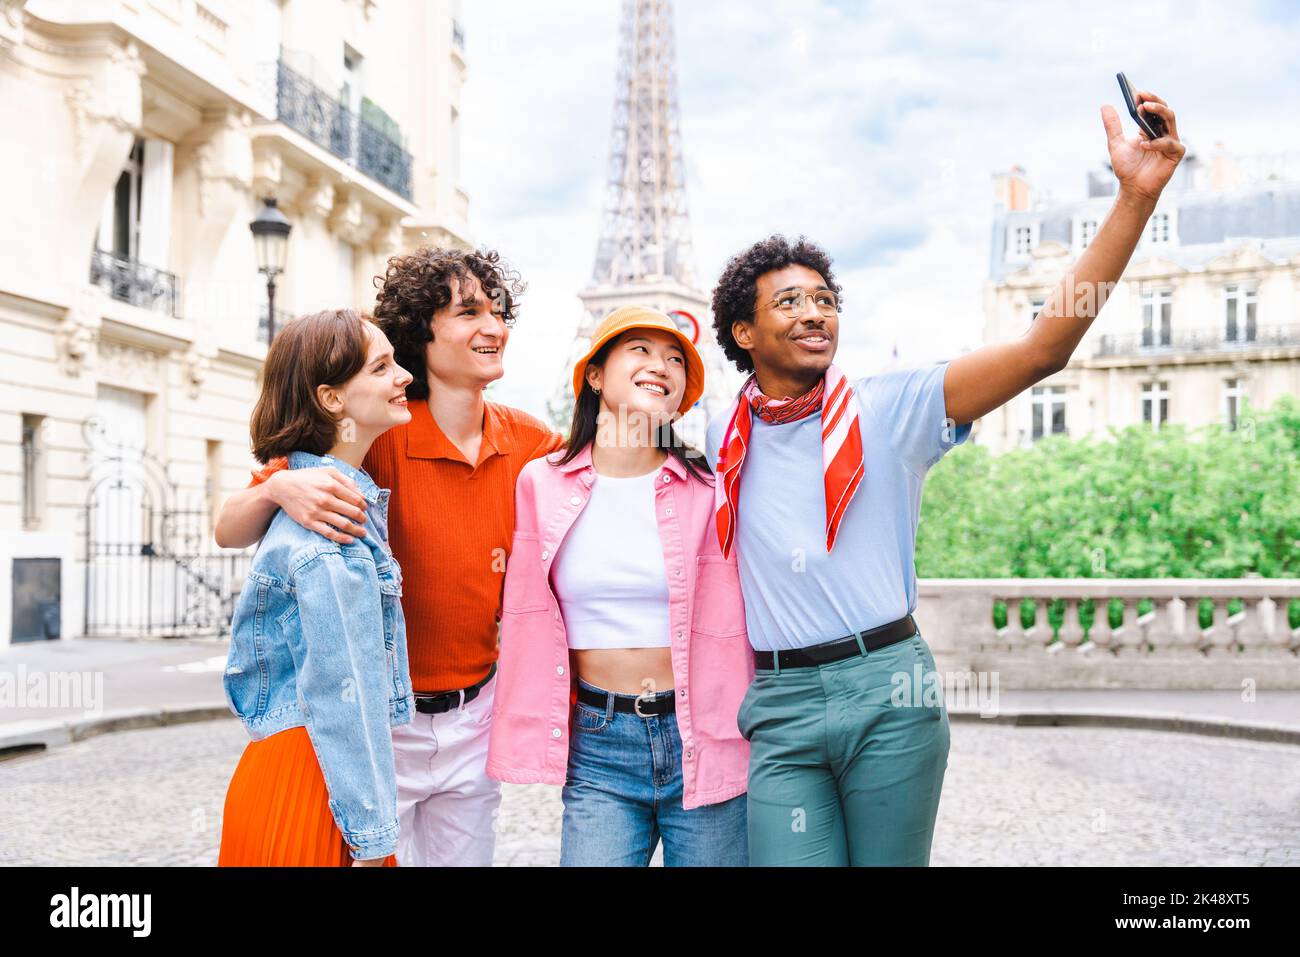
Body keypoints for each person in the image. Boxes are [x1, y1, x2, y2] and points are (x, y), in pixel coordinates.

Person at [706, 93, 1186, 866]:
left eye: (826, 299)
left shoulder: (892, 407)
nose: (814, 312)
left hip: (890, 689)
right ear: (742, 331)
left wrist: (1135, 196)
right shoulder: (716, 437)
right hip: (781, 705)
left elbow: (1040, 352)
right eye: (787, 300)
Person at [214, 248, 563, 866]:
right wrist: (275, 487)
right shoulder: (376, 433)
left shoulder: (530, 441)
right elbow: (228, 528)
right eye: (469, 312)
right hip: (383, 725)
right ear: (419, 336)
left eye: (499, 311)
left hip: (475, 713)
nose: (494, 327)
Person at [487, 306, 751, 866]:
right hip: (599, 744)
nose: (662, 365)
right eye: (641, 350)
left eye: (676, 359)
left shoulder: (712, 488)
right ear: (594, 374)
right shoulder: (541, 483)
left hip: (703, 735)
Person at [218, 308, 414, 867]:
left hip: (287, 775)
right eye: (382, 367)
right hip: (315, 786)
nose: (403, 377)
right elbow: (344, 700)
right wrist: (375, 841)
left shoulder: (310, 497)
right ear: (331, 399)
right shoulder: (331, 532)